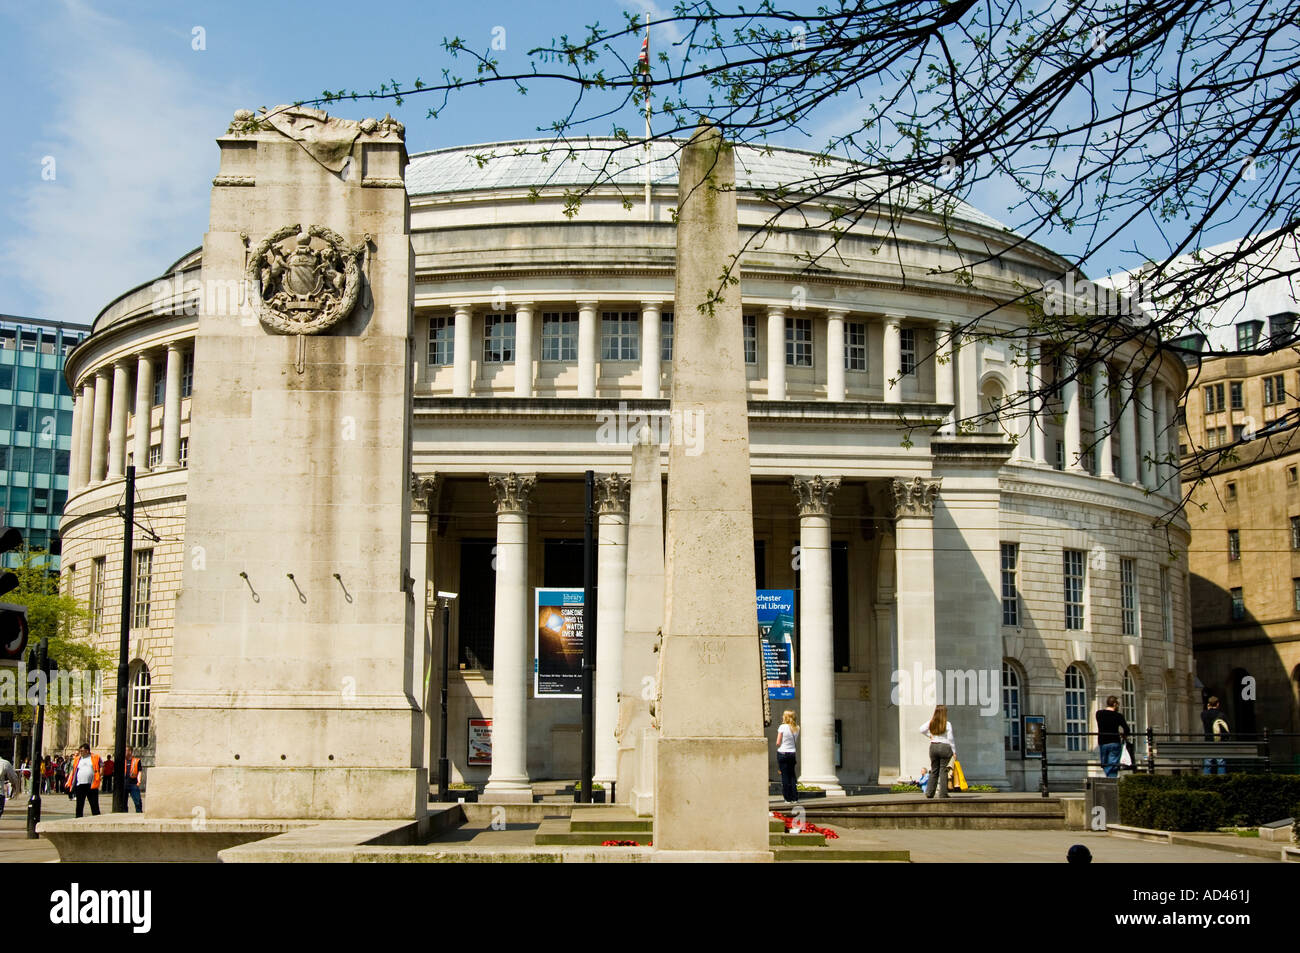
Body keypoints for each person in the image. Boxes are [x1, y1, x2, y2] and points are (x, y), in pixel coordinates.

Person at [920, 705, 956, 799]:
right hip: (945, 746)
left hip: (933, 746)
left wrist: (930, 736)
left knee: (934, 770)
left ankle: (929, 792)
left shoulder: (931, 722)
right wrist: (954, 751)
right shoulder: (947, 724)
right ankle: (943, 793)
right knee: (943, 770)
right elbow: (951, 738)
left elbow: (921, 729)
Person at [1095, 695, 1131, 778]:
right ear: (1115, 704)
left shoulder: (1099, 713)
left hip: (1102, 742)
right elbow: (1127, 729)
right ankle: (1112, 783)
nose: (1118, 706)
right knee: (1113, 765)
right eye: (1118, 704)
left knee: (1105, 764)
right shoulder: (1118, 716)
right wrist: (1123, 735)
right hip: (1114, 742)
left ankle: (1111, 781)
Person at [65, 744, 102, 818]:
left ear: (87, 751)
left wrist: (100, 775)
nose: (80, 752)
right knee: (79, 804)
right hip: (80, 784)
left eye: (81, 751)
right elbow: (73, 771)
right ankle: (78, 818)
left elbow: (102, 765)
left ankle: (97, 818)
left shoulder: (95, 757)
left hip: (91, 784)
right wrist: (69, 781)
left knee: (94, 804)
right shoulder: (77, 759)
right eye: (80, 751)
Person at [1201, 696, 1230, 775]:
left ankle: (1206, 781)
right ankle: (1221, 780)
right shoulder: (1221, 715)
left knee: (1207, 762)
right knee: (1221, 762)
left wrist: (1208, 708)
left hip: (1208, 740)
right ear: (1218, 704)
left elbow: (1205, 715)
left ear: (1208, 704)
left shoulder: (1204, 714)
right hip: (1219, 741)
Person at [775, 710, 799, 803]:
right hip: (792, 753)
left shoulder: (782, 727)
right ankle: (794, 797)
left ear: (786, 717)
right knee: (792, 775)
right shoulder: (797, 727)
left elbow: (778, 742)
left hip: (782, 753)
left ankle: (787, 798)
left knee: (784, 776)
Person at [124, 747, 144, 813]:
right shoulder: (122, 761)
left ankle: (139, 813)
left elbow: (139, 771)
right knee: (123, 803)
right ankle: (124, 815)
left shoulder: (136, 761)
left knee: (137, 801)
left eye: (126, 750)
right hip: (124, 784)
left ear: (130, 751)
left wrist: (139, 781)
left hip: (133, 784)